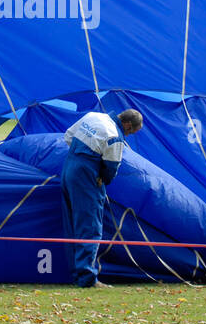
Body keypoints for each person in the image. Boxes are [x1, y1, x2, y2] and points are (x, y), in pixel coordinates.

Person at [60, 108, 143, 287]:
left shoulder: (93, 116)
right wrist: (101, 178)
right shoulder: (115, 137)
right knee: (89, 226)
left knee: (72, 222)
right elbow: (111, 168)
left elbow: (68, 136)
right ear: (127, 125)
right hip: (87, 176)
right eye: (131, 132)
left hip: (69, 167)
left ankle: (74, 272)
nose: (128, 135)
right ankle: (87, 278)